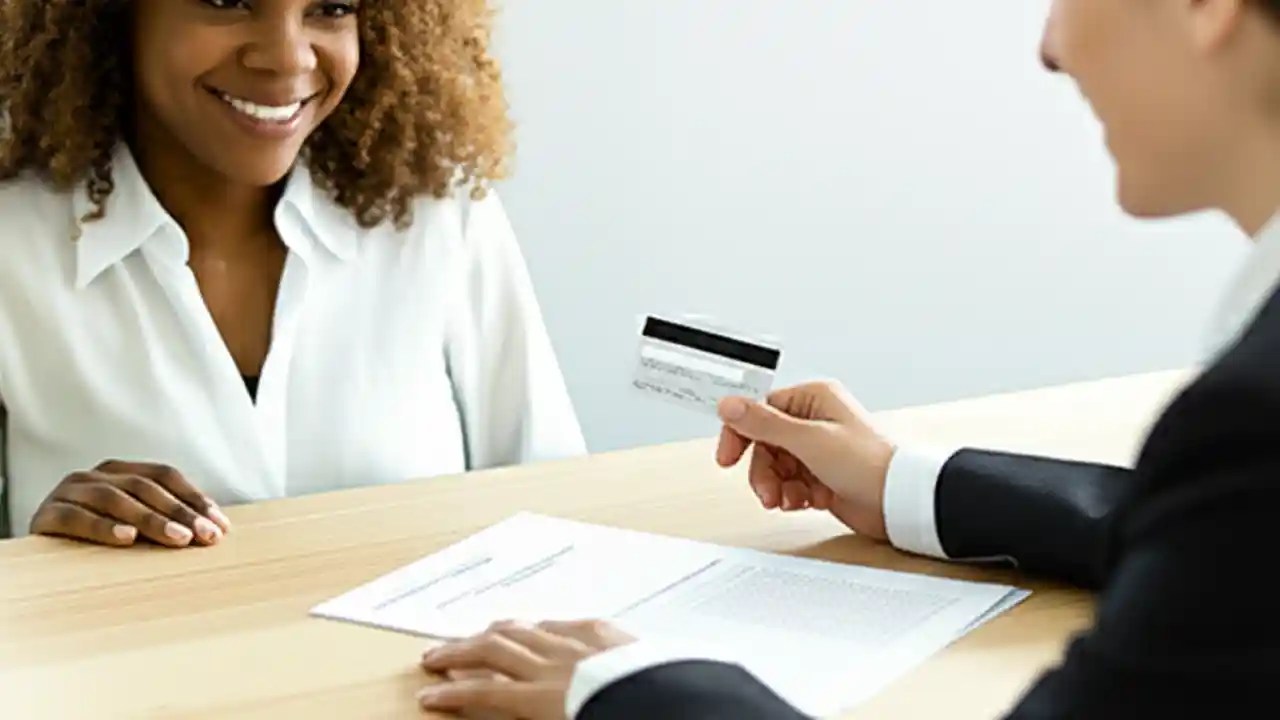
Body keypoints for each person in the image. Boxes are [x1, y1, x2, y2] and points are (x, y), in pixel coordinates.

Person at [414, 0, 1280, 717]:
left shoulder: (1249, 420)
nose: (1049, 47)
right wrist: (902, 482)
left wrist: (630, 691)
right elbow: (1218, 542)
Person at [0, 0, 584, 545]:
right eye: (228, 0)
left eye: (331, 7)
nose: (287, 57)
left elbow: (557, 517)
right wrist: (35, 560)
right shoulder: (14, 243)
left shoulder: (439, 213)